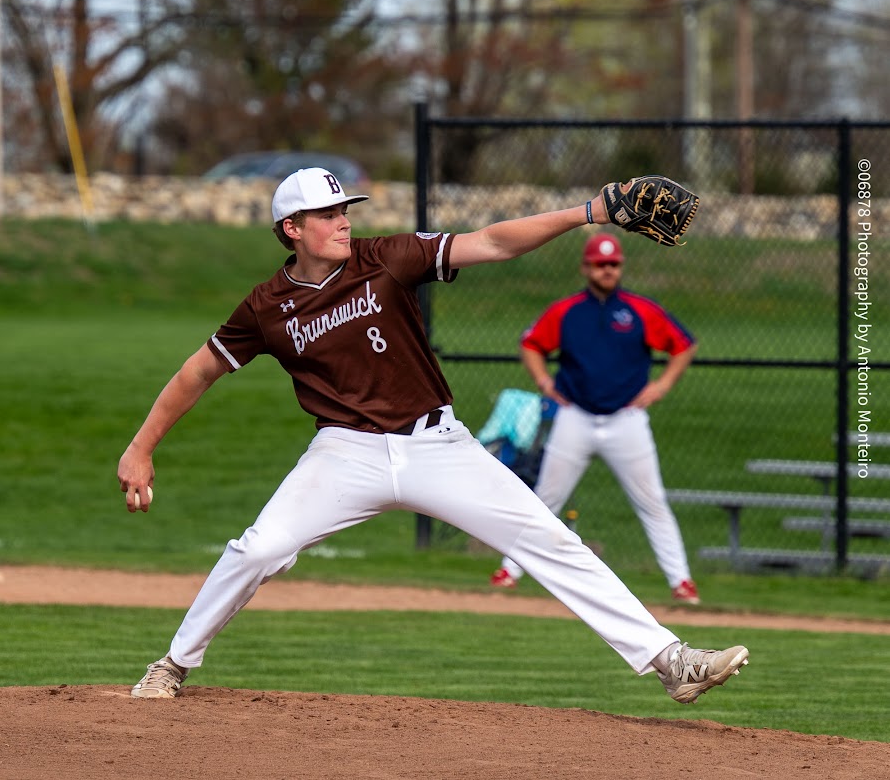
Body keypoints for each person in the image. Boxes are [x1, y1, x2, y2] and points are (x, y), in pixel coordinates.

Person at [118, 167, 748, 704]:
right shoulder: (266, 307)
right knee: (258, 549)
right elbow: (198, 370)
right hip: (345, 453)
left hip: (437, 446)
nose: (343, 220)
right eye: (328, 213)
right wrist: (141, 446)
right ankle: (172, 666)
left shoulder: (386, 257)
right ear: (292, 229)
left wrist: (591, 212)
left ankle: (673, 663)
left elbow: (493, 244)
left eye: (345, 209)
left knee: (551, 540)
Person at [490, 232, 701, 605]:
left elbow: (684, 344)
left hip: (626, 419)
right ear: (586, 267)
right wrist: (543, 380)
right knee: (546, 500)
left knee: (652, 502)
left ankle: (681, 582)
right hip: (576, 416)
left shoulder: (639, 309)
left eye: (613, 263)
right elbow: (531, 343)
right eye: (600, 263)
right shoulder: (568, 310)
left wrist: (663, 385)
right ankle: (509, 570)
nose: (607, 269)